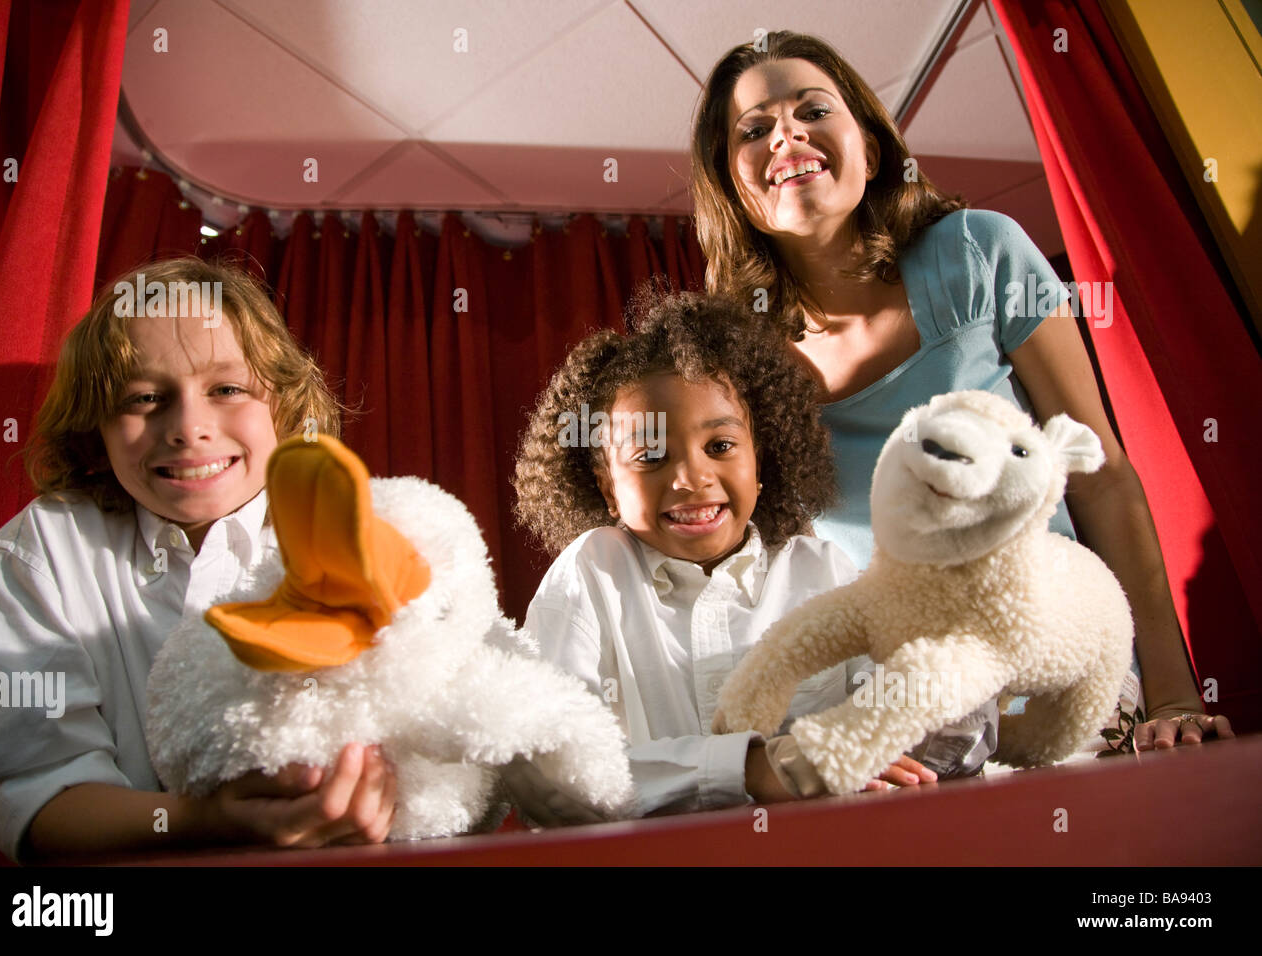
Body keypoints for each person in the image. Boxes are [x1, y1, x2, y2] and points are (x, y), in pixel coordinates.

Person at [688, 31, 1230, 750]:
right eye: (754, 130)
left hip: (1057, 660)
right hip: (893, 703)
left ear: (872, 150)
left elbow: (1101, 478)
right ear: (734, 187)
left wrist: (1171, 697)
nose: (787, 133)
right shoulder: (736, 351)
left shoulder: (981, 249)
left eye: (812, 110)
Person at [0, 257, 398, 861]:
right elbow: (33, 791)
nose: (189, 428)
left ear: (284, 403)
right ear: (96, 428)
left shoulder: (373, 539)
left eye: (226, 389)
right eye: (144, 397)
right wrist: (202, 821)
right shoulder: (39, 556)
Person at [512, 292, 996, 817]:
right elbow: (545, 768)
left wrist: (939, 691)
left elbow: (952, 743)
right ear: (608, 487)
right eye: (650, 456)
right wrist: (749, 768)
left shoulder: (822, 570)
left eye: (720, 447)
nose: (692, 478)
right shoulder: (592, 575)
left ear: (759, 459)